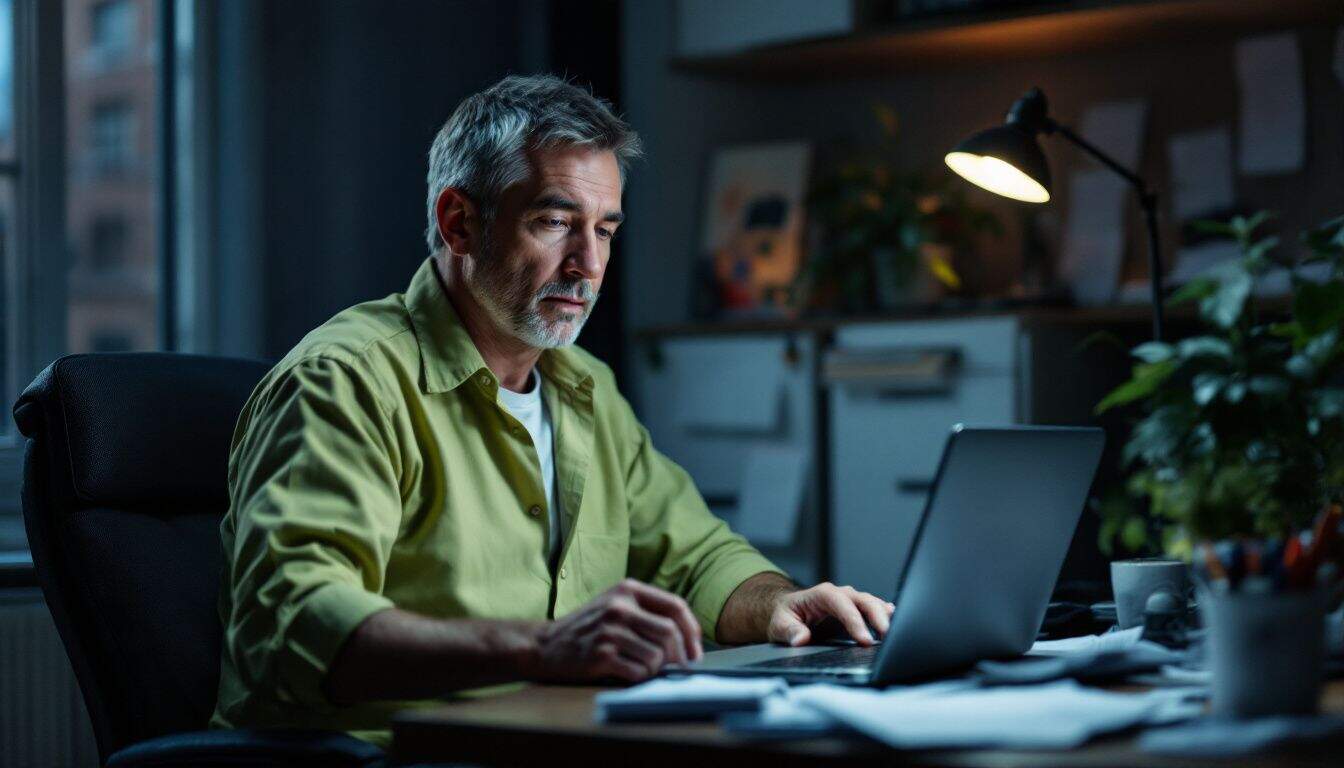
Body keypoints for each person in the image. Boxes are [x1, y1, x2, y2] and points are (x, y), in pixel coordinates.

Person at [211, 74, 893, 747]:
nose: (587, 264)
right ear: (460, 223)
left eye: (604, 229)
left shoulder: (583, 386)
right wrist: (543, 648)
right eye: (555, 222)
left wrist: (777, 604)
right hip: (381, 756)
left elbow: (693, 555)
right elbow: (292, 625)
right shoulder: (345, 382)